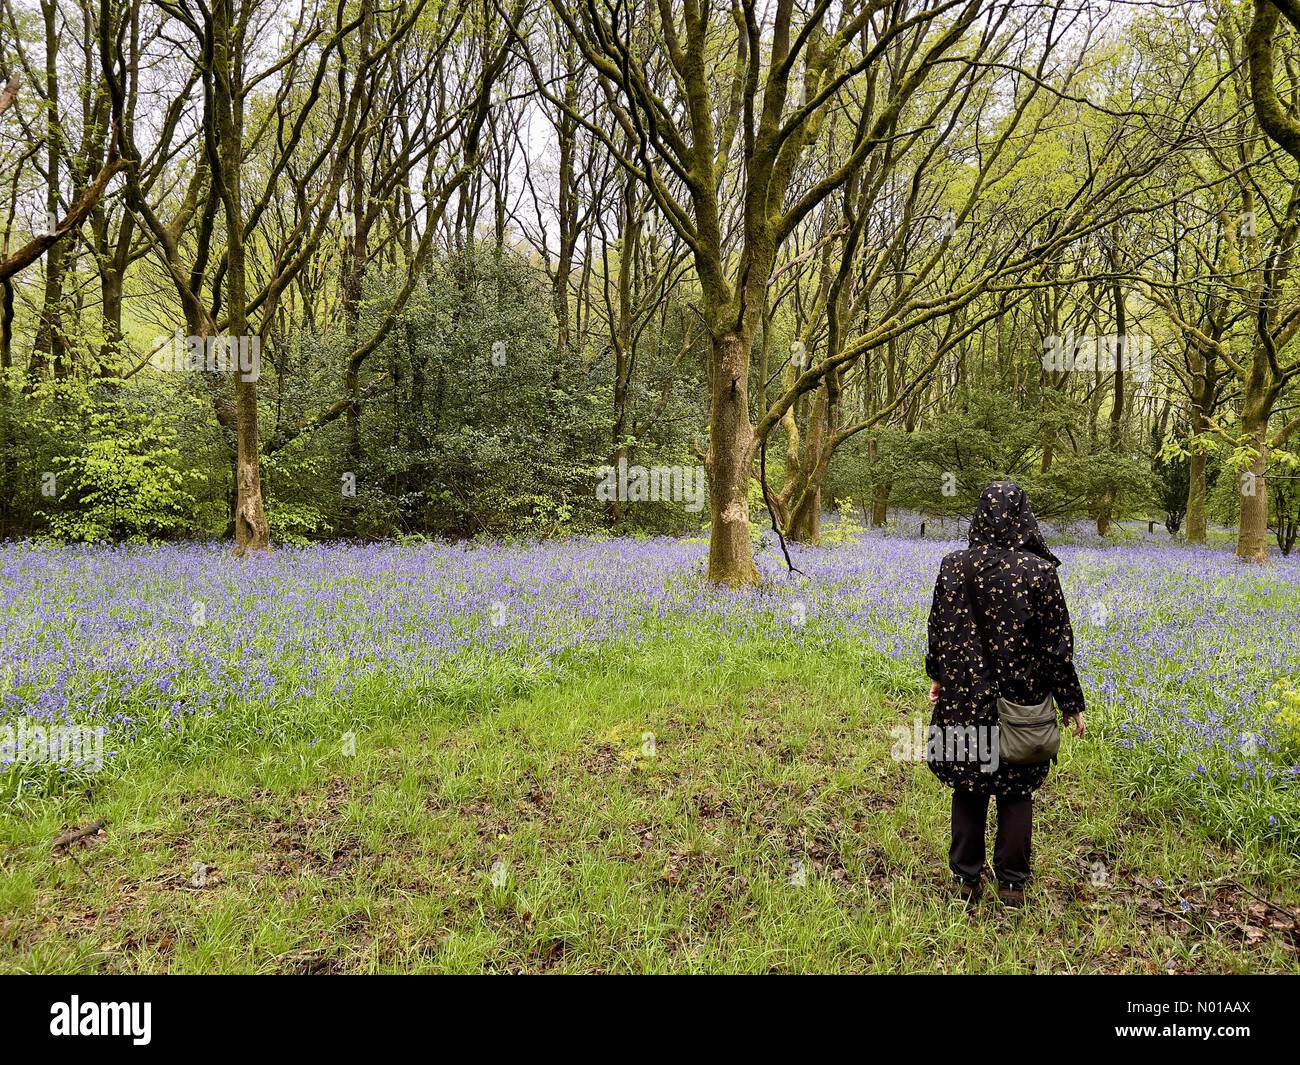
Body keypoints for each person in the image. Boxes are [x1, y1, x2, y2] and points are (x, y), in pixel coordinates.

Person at [924, 481, 1085, 907]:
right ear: (1021, 517)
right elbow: (1057, 646)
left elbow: (939, 629)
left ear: (980, 516)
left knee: (968, 785)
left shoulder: (952, 565)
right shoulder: (1039, 572)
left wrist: (938, 676)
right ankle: (1012, 884)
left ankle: (965, 880)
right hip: (1022, 703)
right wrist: (1071, 703)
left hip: (964, 700)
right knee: (1016, 792)